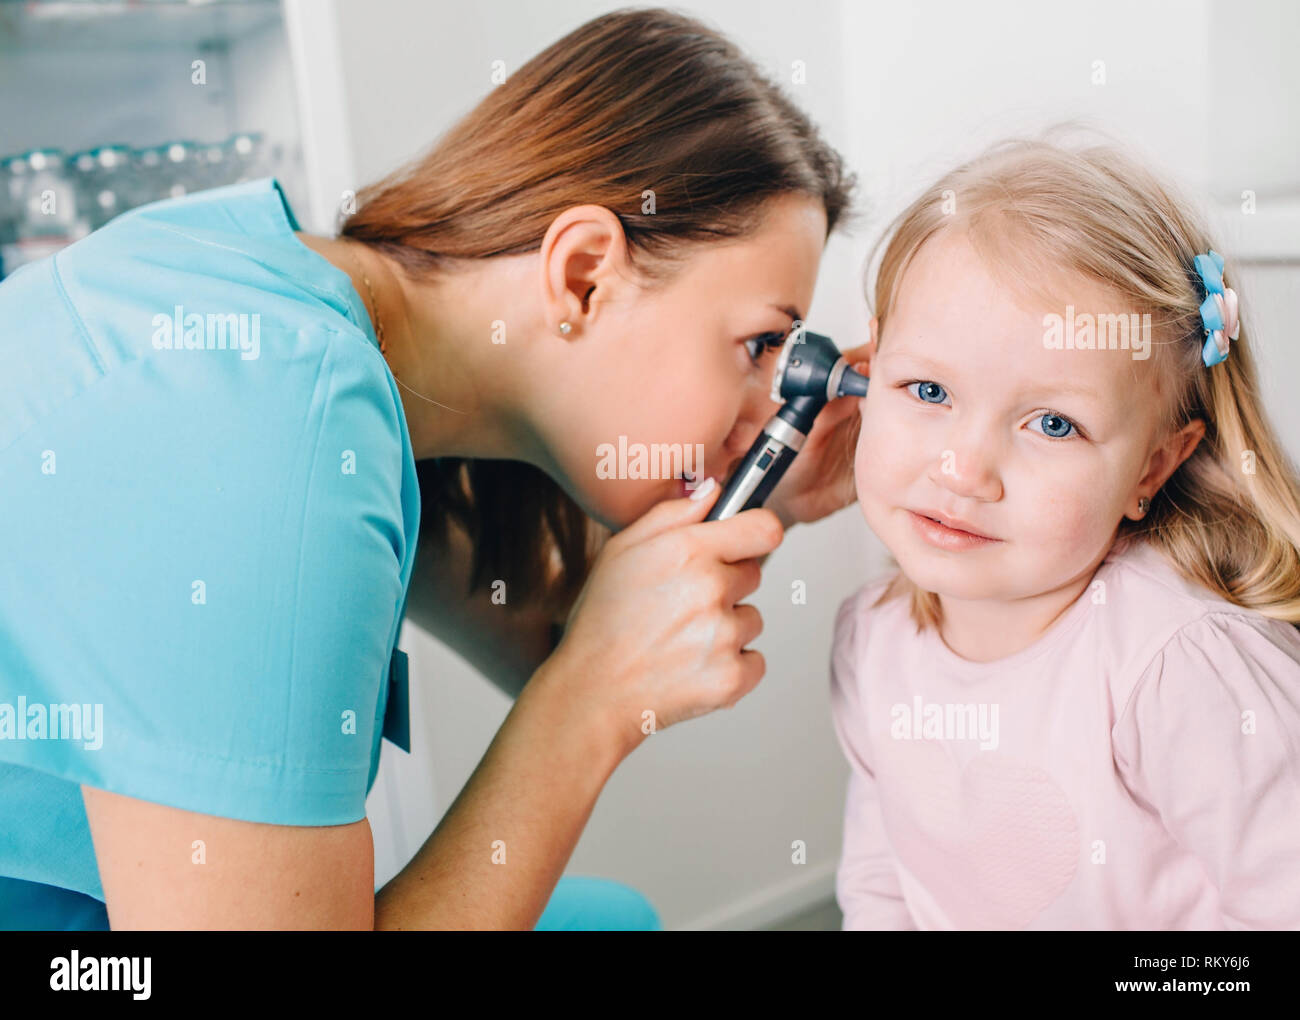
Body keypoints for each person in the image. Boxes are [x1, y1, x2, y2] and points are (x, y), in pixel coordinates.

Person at [0, 7, 866, 930]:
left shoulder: (289, 305)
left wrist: (780, 481)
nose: (764, 411)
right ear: (582, 274)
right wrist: (593, 700)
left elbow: (544, 628)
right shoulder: (267, 415)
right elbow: (584, 663)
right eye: (758, 344)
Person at [831, 133, 1300, 930]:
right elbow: (882, 880)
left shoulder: (1175, 668)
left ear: (1152, 468)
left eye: (1052, 423)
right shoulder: (871, 638)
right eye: (929, 389)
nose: (965, 468)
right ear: (871, 374)